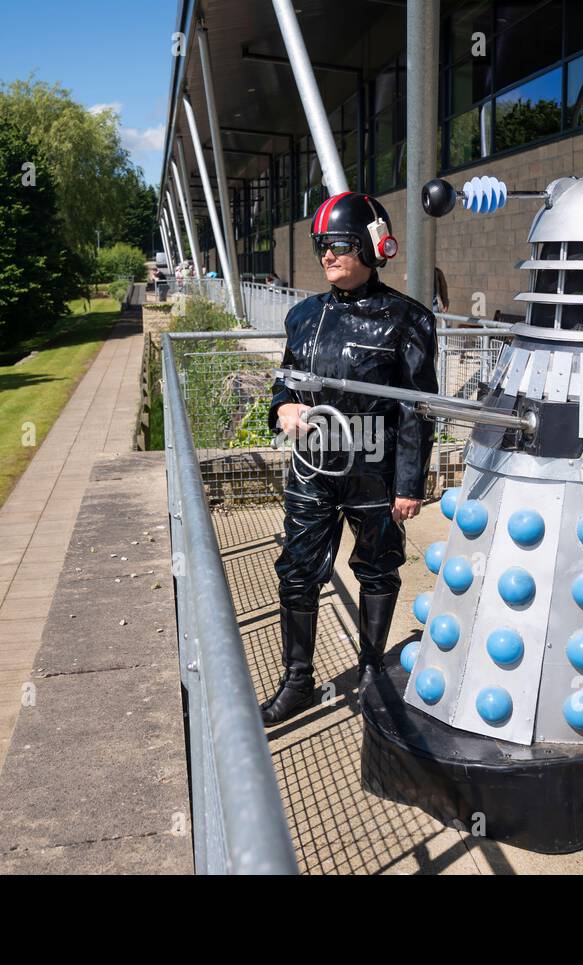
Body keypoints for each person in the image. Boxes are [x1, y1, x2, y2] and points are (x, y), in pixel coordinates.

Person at [262, 192, 438, 726]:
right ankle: (297, 681)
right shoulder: (302, 316)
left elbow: (418, 409)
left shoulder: (408, 320)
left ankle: (371, 672)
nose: (327, 256)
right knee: (296, 572)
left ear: (370, 245)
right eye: (322, 246)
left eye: (337, 244)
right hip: (313, 467)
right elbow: (283, 383)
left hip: (376, 468)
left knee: (379, 569)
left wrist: (409, 484)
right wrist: (284, 407)